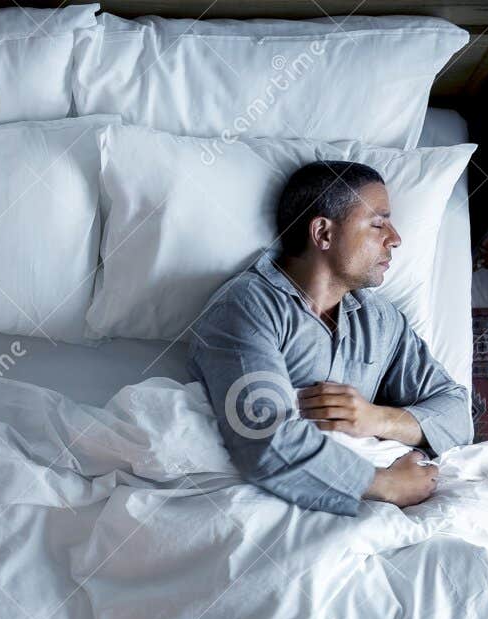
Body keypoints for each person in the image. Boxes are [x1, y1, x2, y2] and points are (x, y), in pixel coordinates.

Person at [188, 160, 472, 514]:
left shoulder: (380, 320)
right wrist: (383, 484)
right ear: (323, 233)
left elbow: (457, 415)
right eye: (378, 224)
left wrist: (375, 419)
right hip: (261, 504)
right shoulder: (247, 306)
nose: (395, 239)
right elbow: (263, 440)